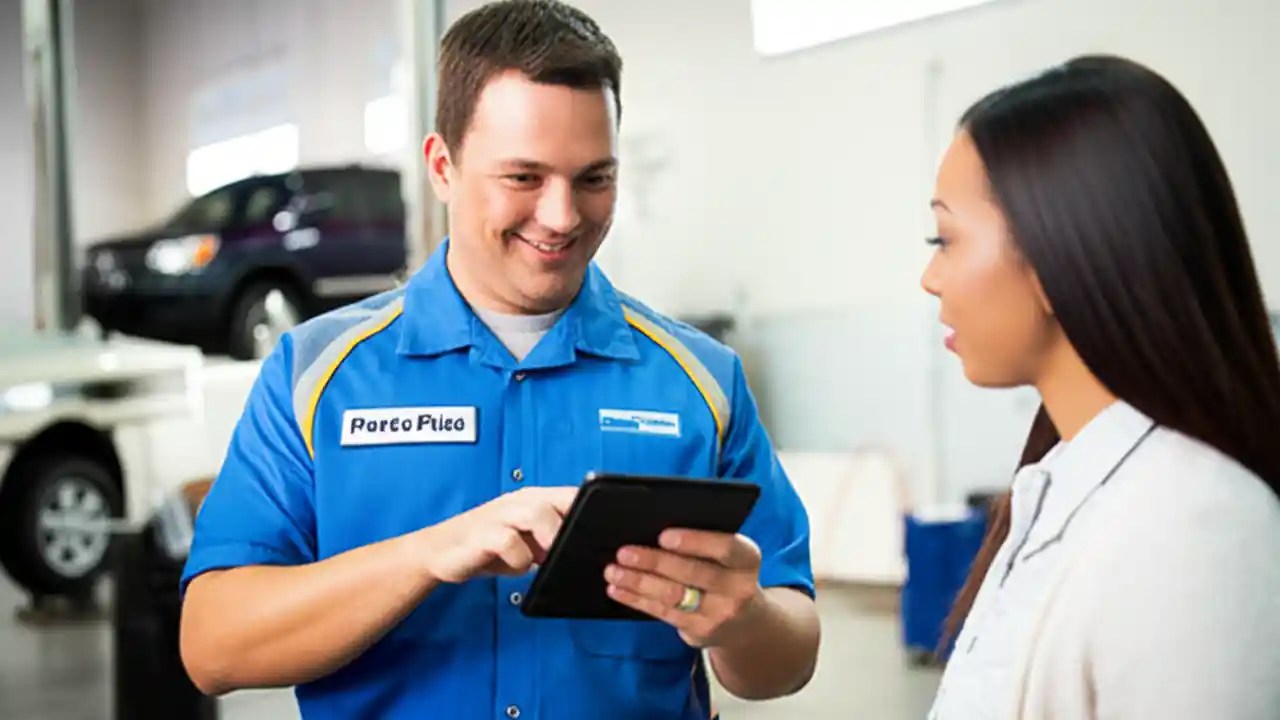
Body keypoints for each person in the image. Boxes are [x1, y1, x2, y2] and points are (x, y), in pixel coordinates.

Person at [177, 2, 820, 718]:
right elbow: (213, 648)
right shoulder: (317, 377)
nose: (562, 216)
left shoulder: (699, 382)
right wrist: (428, 554)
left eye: (593, 178)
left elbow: (789, 653)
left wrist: (744, 619)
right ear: (442, 165)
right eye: (524, 178)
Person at [920, 54, 1280, 719]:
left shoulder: (1195, 527)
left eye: (944, 239)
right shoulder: (1061, 485)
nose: (930, 279)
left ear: (1057, 258)